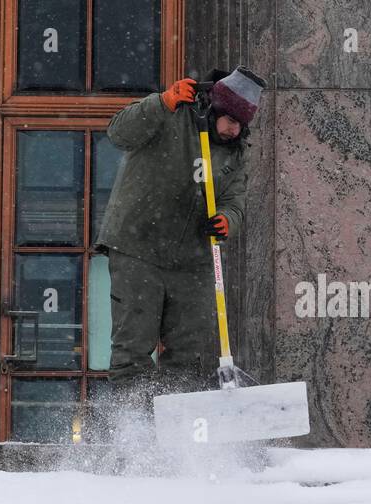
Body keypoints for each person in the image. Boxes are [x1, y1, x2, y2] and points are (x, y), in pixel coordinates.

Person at [96, 66, 265, 399]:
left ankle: (177, 429)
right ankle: (131, 427)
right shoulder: (172, 114)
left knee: (187, 354)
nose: (233, 129)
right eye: (229, 120)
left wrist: (227, 220)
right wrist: (161, 102)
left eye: (240, 124)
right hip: (138, 247)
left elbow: (235, 201)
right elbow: (118, 133)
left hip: (193, 259)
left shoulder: (235, 155)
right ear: (216, 108)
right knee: (133, 346)